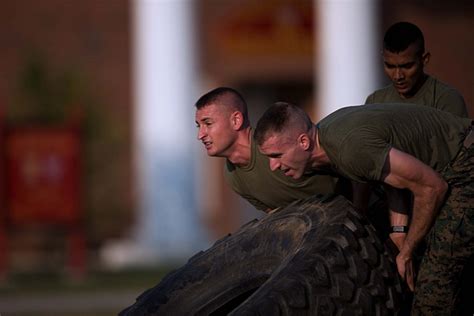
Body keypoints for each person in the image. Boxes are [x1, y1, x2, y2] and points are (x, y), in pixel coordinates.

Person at [254, 102, 473, 314]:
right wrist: (398, 233)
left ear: (303, 142)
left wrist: (407, 252)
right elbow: (381, 177)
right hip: (440, 171)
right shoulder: (324, 147)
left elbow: (432, 188)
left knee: (433, 291)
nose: (273, 167)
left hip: (463, 161)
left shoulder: (349, 146)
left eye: (276, 156)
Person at [194, 87, 339, 213]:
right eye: (198, 126)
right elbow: (277, 218)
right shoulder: (233, 176)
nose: (200, 135)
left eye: (208, 123)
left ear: (236, 120)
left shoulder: (280, 146)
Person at [365, 21, 468, 118]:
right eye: (390, 66)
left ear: (424, 59)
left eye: (407, 66)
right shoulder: (375, 102)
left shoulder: (446, 100)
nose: (398, 76)